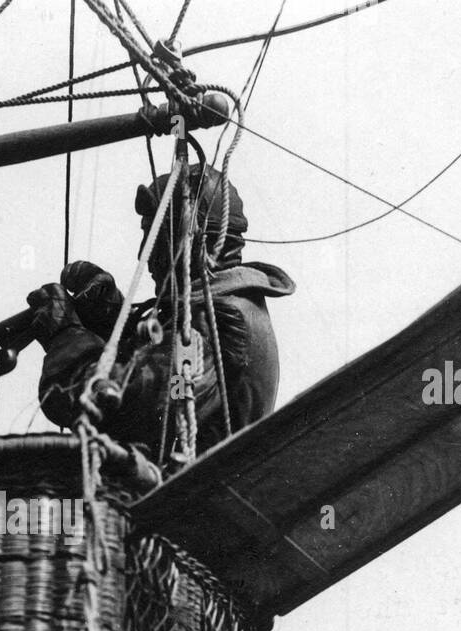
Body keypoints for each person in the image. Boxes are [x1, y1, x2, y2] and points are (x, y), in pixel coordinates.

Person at [27, 165, 294, 459]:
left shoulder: (212, 323)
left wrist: (65, 335)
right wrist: (112, 320)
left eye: (153, 236)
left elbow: (119, 404)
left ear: (187, 239)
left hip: (183, 502)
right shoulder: (226, 308)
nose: (144, 253)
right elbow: (164, 383)